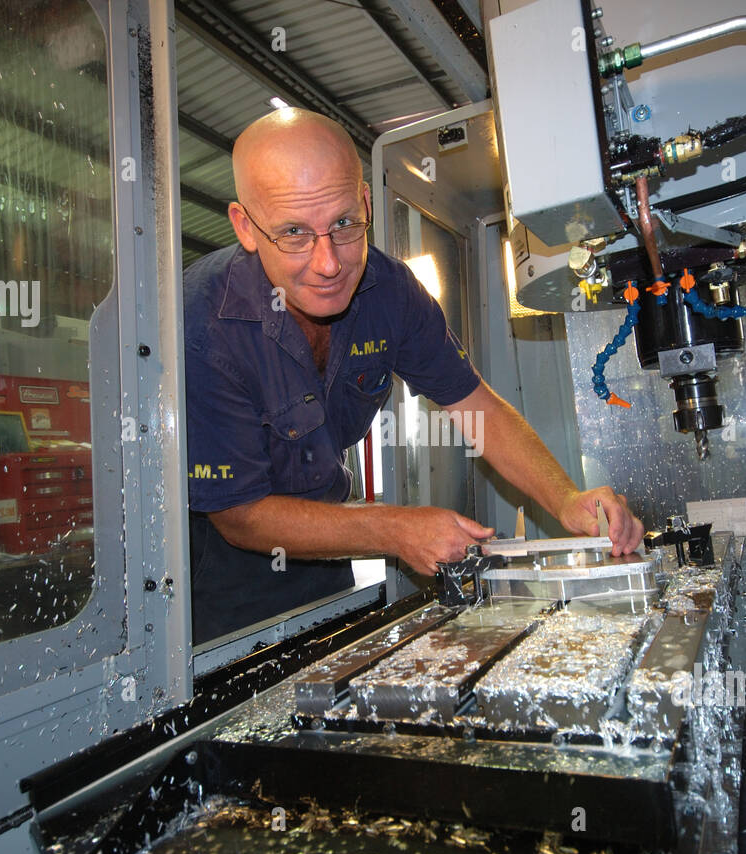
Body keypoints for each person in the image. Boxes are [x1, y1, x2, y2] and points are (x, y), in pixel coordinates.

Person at [184, 108, 644, 642]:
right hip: (216, 602)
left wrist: (566, 499)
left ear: (366, 203)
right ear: (245, 226)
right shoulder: (203, 325)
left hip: (325, 570)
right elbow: (239, 516)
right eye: (293, 233)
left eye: (344, 224)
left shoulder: (392, 293)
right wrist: (396, 529)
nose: (329, 263)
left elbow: (477, 408)